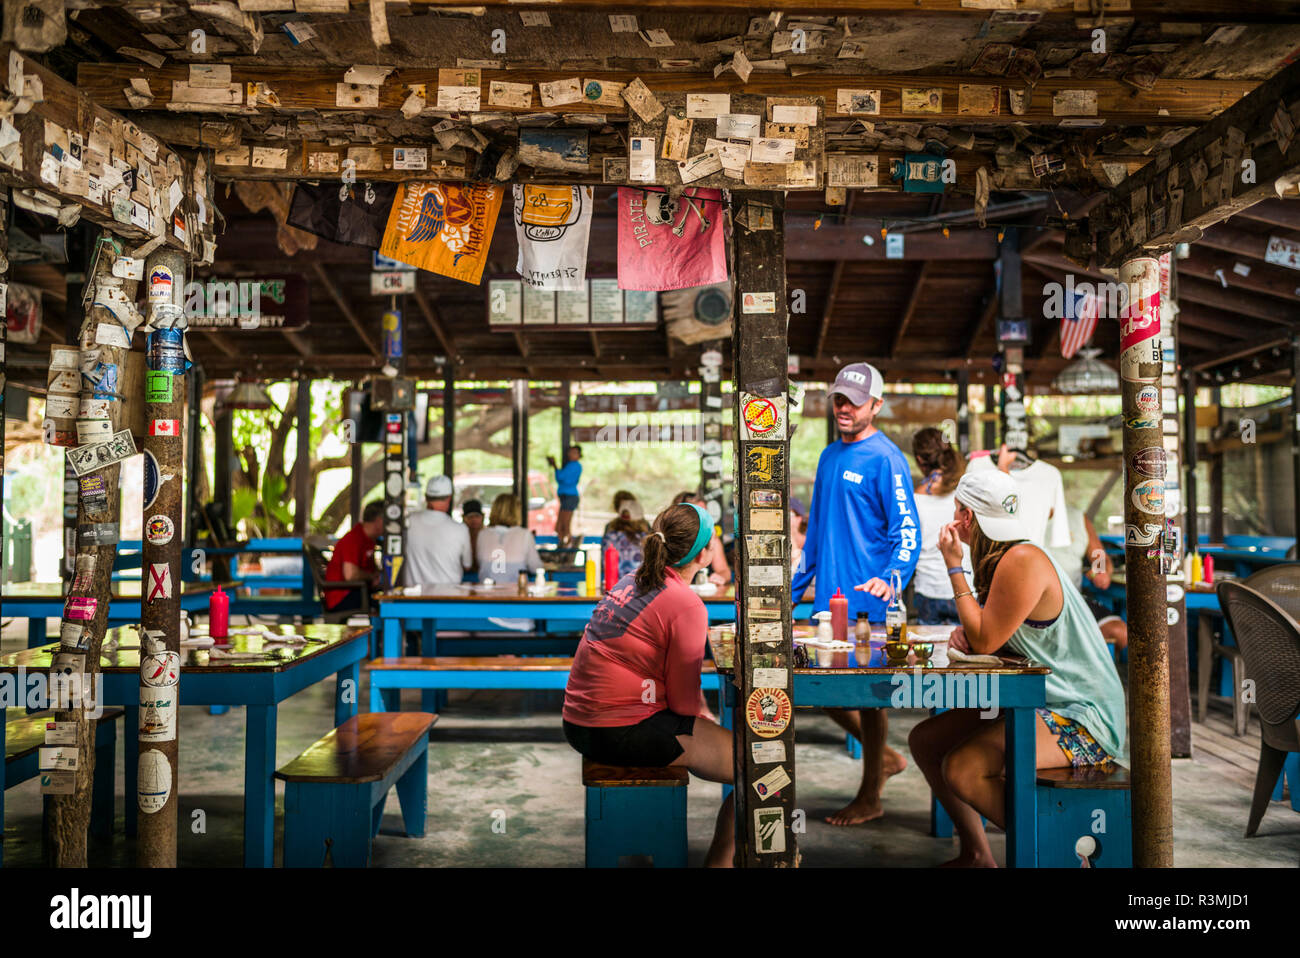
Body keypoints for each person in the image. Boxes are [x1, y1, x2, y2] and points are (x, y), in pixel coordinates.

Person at [909, 468, 1128, 867]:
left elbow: (985, 641)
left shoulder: (1022, 559)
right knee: (927, 740)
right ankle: (977, 852)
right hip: (1042, 701)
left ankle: (1053, 852)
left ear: (966, 518)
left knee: (964, 768)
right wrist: (970, 631)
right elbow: (995, 635)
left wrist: (953, 566)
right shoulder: (1003, 557)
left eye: (958, 510)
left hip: (1083, 717)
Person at [563, 502, 734, 866]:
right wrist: (706, 724)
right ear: (704, 554)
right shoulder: (686, 604)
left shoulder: (632, 580)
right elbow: (684, 705)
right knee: (760, 764)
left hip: (578, 723)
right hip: (618, 729)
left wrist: (702, 722)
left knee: (721, 742)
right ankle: (720, 862)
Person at [791, 362, 920, 826]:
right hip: (829, 602)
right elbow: (816, 535)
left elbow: (908, 531)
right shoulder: (828, 457)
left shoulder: (886, 459)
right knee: (824, 691)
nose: (844, 408)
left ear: (876, 406)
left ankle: (870, 794)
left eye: (854, 402)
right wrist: (791, 593)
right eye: (839, 400)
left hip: (870, 604)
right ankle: (881, 756)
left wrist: (894, 575)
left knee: (868, 699)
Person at [1047, 504, 1129, 651]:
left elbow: (1097, 555)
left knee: (1119, 632)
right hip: (1034, 603)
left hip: (1073, 601)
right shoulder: (1020, 513)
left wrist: (1100, 570)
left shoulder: (1078, 517)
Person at [911, 428, 970, 626]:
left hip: (928, 590)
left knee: (927, 654)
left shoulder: (914, 499)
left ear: (920, 460)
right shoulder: (964, 492)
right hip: (964, 586)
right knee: (966, 654)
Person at [404, 475, 472, 587]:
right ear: (449, 498)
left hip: (415, 597)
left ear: (426, 497)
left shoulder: (409, 522)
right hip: (448, 596)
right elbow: (467, 565)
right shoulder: (460, 529)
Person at [323, 501, 383, 613]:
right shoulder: (353, 539)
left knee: (388, 603)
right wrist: (372, 577)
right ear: (379, 521)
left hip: (360, 591)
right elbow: (350, 575)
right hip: (342, 596)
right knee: (387, 608)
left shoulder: (369, 540)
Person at [476, 492, 543, 582]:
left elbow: (480, 563)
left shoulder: (482, 534)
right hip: (515, 593)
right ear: (516, 511)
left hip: (486, 594)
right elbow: (535, 567)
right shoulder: (525, 534)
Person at [671, 491, 731, 586]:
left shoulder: (712, 539)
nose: (704, 519)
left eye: (705, 513)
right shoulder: (669, 539)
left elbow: (724, 570)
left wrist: (720, 576)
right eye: (698, 513)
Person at [601, 497, 650, 579]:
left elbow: (604, 564)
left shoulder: (610, 537)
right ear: (641, 518)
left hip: (615, 585)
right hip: (640, 585)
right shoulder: (646, 539)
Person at [548, 444, 583, 548]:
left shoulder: (575, 466)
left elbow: (562, 478)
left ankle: (569, 545)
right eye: (570, 452)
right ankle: (563, 544)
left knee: (565, 525)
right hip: (566, 497)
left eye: (574, 452)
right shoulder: (570, 465)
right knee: (560, 526)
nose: (571, 454)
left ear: (579, 455)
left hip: (569, 497)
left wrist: (554, 465)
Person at [461, 498, 485, 578]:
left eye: (477, 516)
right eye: (470, 517)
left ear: (482, 517)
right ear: (464, 518)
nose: (474, 520)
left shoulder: (488, 535)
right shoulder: (459, 535)